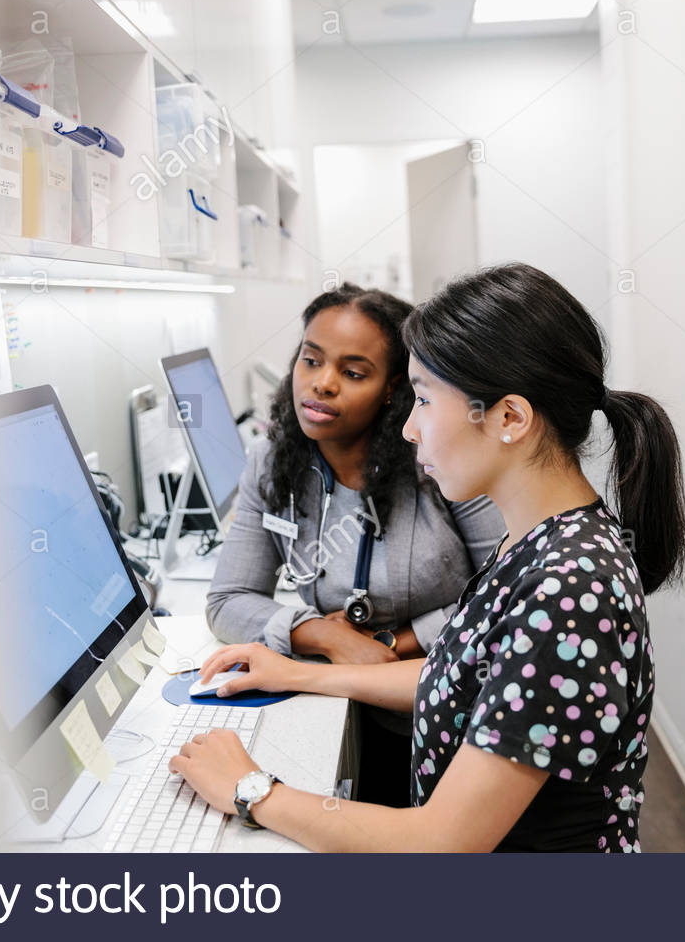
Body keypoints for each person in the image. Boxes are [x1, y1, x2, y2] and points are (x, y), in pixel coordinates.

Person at [174, 262, 685, 851]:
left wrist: (250, 790)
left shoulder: (570, 589)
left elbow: (441, 843)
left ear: (509, 418)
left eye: (423, 400)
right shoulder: (532, 543)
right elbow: (458, 677)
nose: (407, 430)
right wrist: (297, 670)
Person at [205, 282, 504, 807]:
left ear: (393, 388)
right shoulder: (272, 462)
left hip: (450, 711)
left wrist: (392, 644)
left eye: (352, 372)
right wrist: (319, 633)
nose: (321, 384)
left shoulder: (441, 458)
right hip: (336, 705)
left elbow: (505, 594)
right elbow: (228, 599)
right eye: (310, 360)